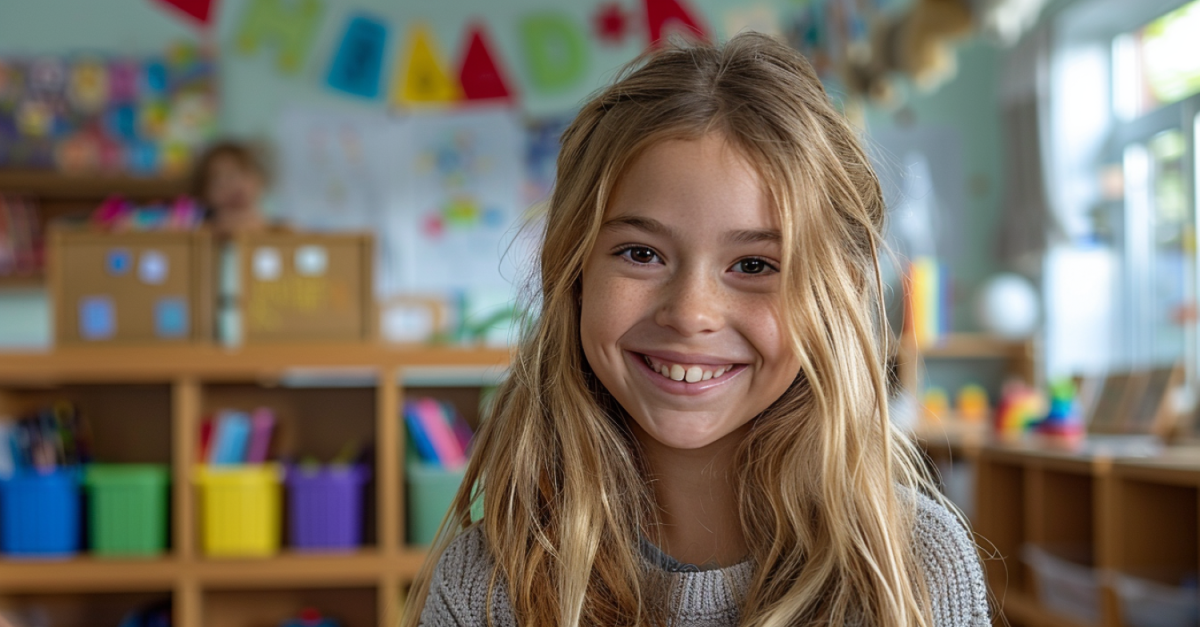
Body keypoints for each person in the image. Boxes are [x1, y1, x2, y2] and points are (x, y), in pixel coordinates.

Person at [405, 33, 989, 627]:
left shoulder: (914, 568)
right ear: (574, 272)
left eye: (755, 265)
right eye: (640, 253)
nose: (690, 312)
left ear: (832, 298)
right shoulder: (487, 581)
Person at [189, 140, 271, 234]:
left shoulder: (272, 227)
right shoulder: (202, 228)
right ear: (204, 192)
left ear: (258, 180)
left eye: (242, 174)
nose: (234, 185)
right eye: (219, 182)